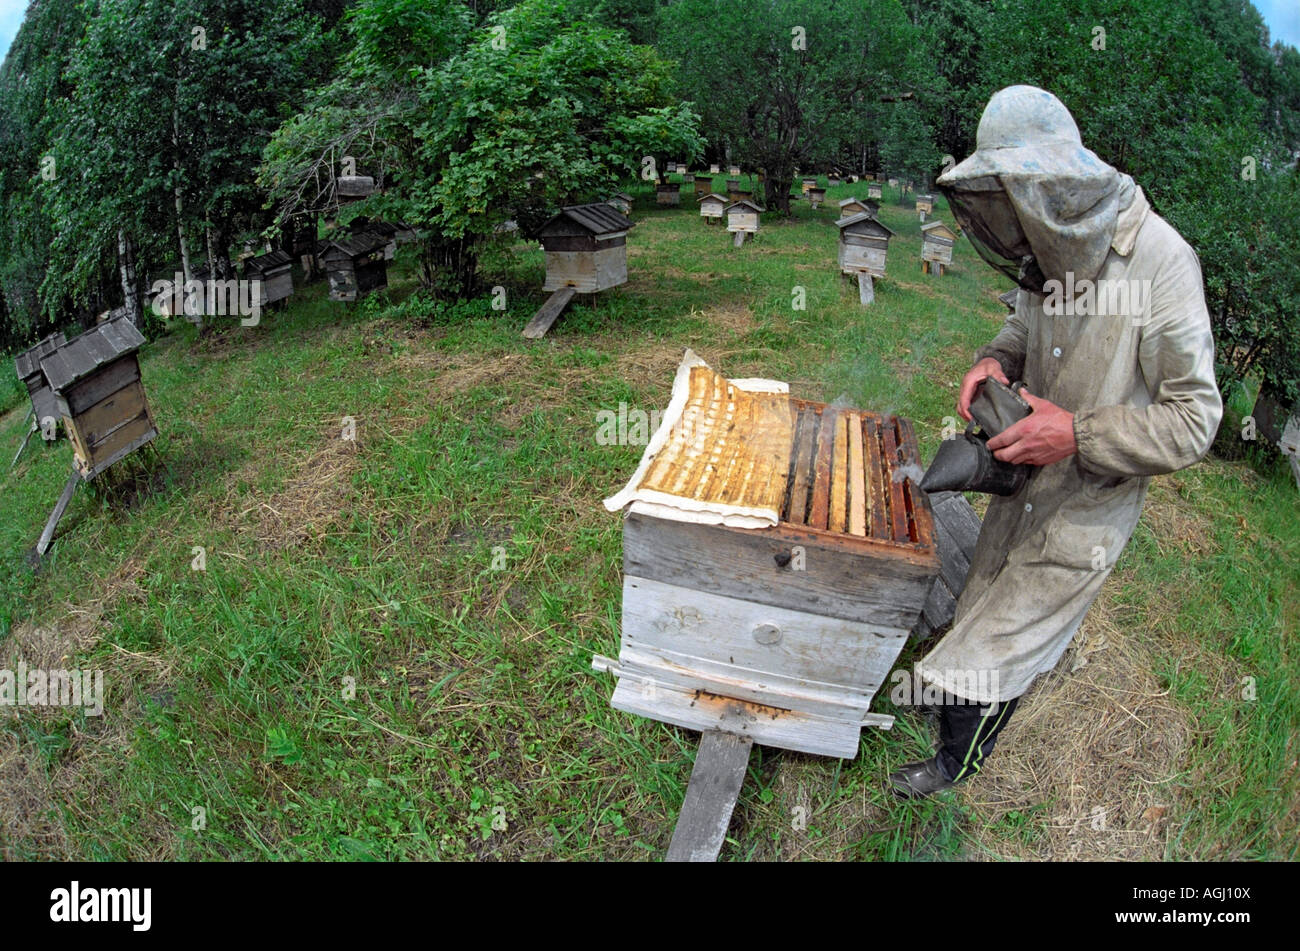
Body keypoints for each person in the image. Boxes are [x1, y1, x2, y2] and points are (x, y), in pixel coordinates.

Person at [889, 85, 1223, 799]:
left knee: (1004, 637)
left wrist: (1075, 432)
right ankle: (949, 707)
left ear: (1052, 184)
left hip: (1086, 506)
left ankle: (954, 766)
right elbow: (1021, 327)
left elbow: (1195, 419)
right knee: (982, 595)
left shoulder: (1163, 264)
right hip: (1020, 480)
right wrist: (993, 360)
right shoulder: (1052, 242)